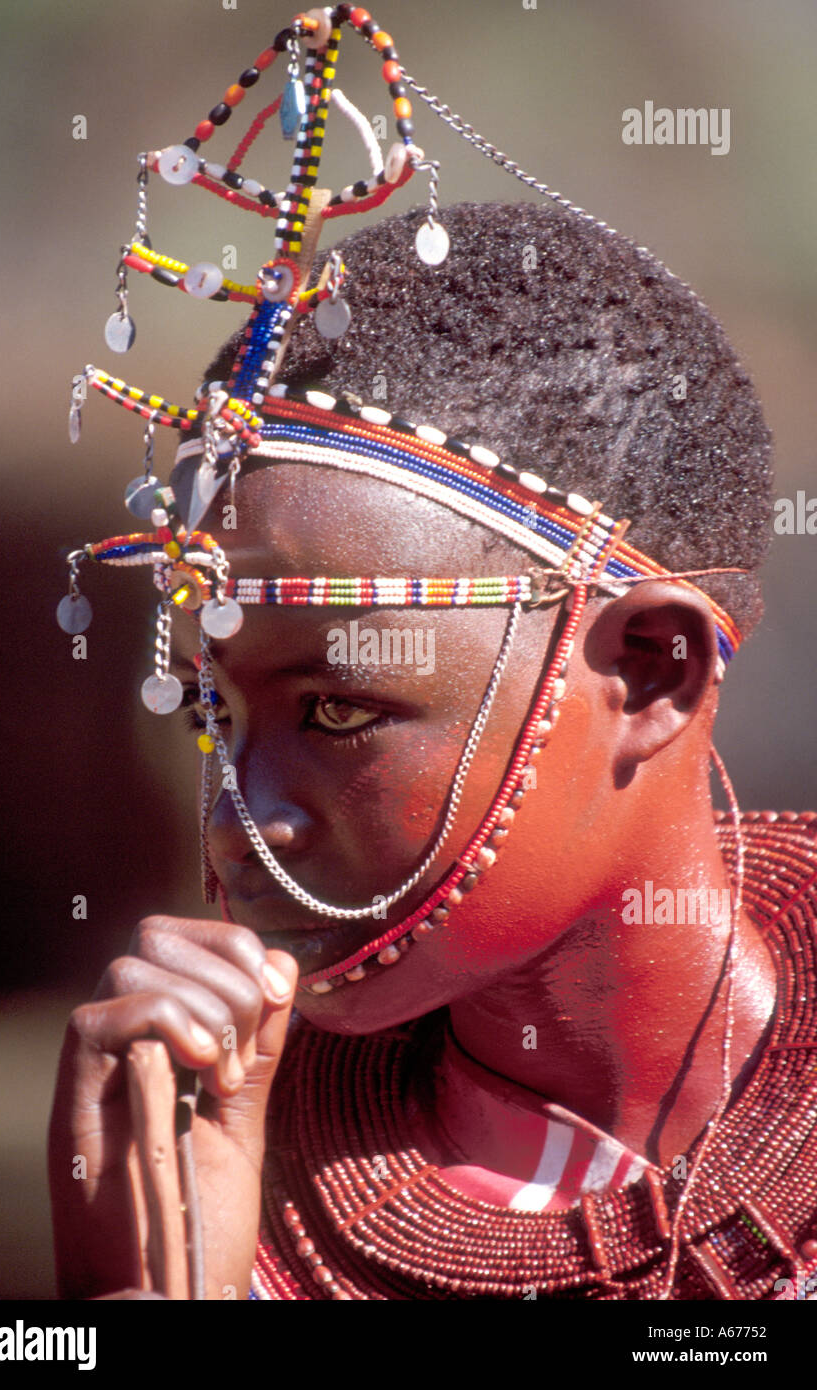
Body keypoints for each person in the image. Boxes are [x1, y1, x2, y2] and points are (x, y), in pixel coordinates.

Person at [48, 9, 817, 1302]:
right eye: (207, 710)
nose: (244, 822)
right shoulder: (209, 1183)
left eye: (339, 709)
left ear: (654, 673)